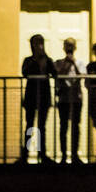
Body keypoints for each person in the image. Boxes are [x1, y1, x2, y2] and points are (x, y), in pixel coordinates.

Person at [19, 34, 57, 163]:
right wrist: (35, 60)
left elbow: (55, 73)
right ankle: (26, 155)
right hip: (31, 96)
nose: (38, 45)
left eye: (40, 43)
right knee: (30, 125)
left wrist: (45, 59)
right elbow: (24, 72)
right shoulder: (28, 60)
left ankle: (43, 155)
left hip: (44, 96)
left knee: (42, 126)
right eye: (36, 43)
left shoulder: (48, 59)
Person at [54, 38, 84, 163]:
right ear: (64, 48)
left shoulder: (80, 63)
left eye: (71, 46)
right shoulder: (59, 62)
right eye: (67, 46)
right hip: (64, 98)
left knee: (76, 126)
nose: (69, 48)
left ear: (75, 47)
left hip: (76, 97)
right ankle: (64, 155)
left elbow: (81, 76)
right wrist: (67, 64)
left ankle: (75, 155)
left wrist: (74, 64)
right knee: (63, 126)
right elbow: (59, 76)